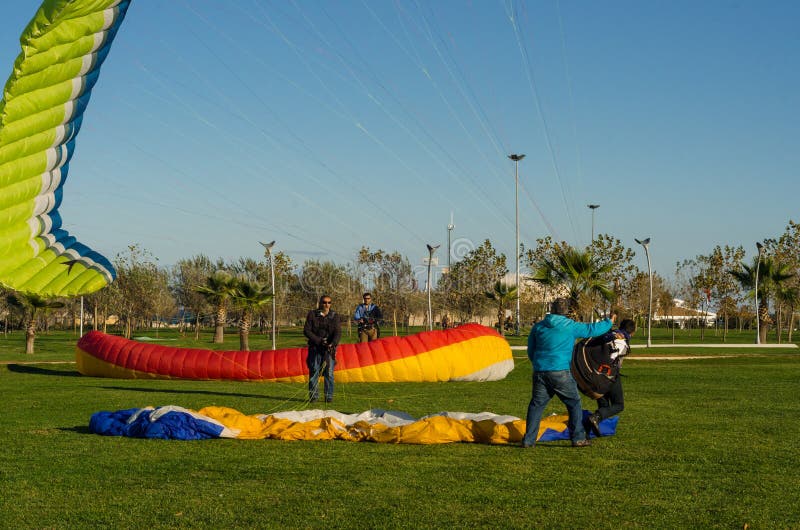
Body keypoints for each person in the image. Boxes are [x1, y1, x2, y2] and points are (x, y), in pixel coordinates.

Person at [521, 297, 616, 448]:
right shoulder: (570, 326)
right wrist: (609, 322)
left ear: (551, 310)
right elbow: (592, 329)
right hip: (560, 371)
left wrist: (538, 364)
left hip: (540, 371)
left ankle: (528, 440)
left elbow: (531, 350)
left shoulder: (538, 327)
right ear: (566, 311)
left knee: (536, 405)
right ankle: (578, 438)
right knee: (574, 403)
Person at [585, 318, 635, 437]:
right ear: (633, 331)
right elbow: (612, 359)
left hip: (594, 373)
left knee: (604, 406)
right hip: (609, 375)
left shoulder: (609, 334)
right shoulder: (621, 340)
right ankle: (595, 418)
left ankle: (595, 428)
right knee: (618, 405)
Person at [303, 295, 341, 403]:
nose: (327, 305)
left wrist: (333, 343)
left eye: (329, 302)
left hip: (329, 349)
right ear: (320, 303)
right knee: (314, 370)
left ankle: (328, 397)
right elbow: (306, 331)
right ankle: (314, 397)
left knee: (329, 373)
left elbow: (338, 332)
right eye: (324, 302)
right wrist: (319, 340)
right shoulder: (312, 315)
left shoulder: (334, 316)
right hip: (315, 347)